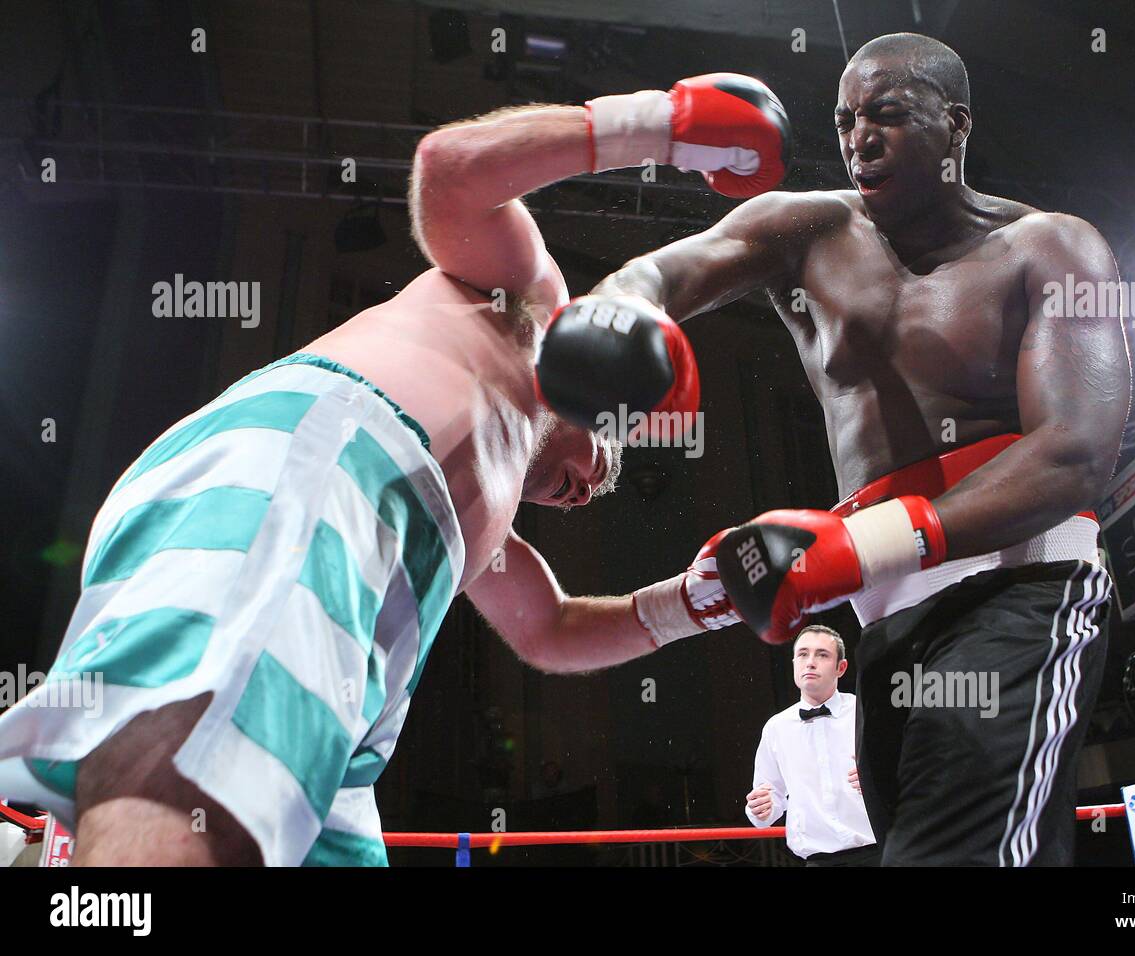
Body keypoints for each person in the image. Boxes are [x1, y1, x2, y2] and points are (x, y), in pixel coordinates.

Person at [0, 73, 790, 866]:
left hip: (366, 612)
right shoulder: (532, 305)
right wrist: (662, 125)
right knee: (189, 776)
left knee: (257, 813)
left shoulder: (483, 529)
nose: (590, 491)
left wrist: (696, 603)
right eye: (603, 462)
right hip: (317, 467)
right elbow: (449, 171)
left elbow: (549, 632)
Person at [568, 33, 1130, 865]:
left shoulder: (1050, 247)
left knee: (953, 847)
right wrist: (615, 327)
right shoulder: (805, 232)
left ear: (957, 124)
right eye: (845, 120)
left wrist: (859, 544)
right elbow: (656, 274)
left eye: (889, 115)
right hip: (885, 620)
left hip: (1025, 586)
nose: (859, 138)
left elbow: (1076, 452)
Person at [745, 625, 878, 866]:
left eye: (822, 655)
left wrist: (879, 778)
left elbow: (907, 776)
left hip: (877, 854)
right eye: (803, 654)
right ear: (794, 663)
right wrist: (758, 810)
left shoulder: (866, 713)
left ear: (841, 667)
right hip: (816, 860)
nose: (810, 662)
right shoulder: (776, 728)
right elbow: (768, 800)